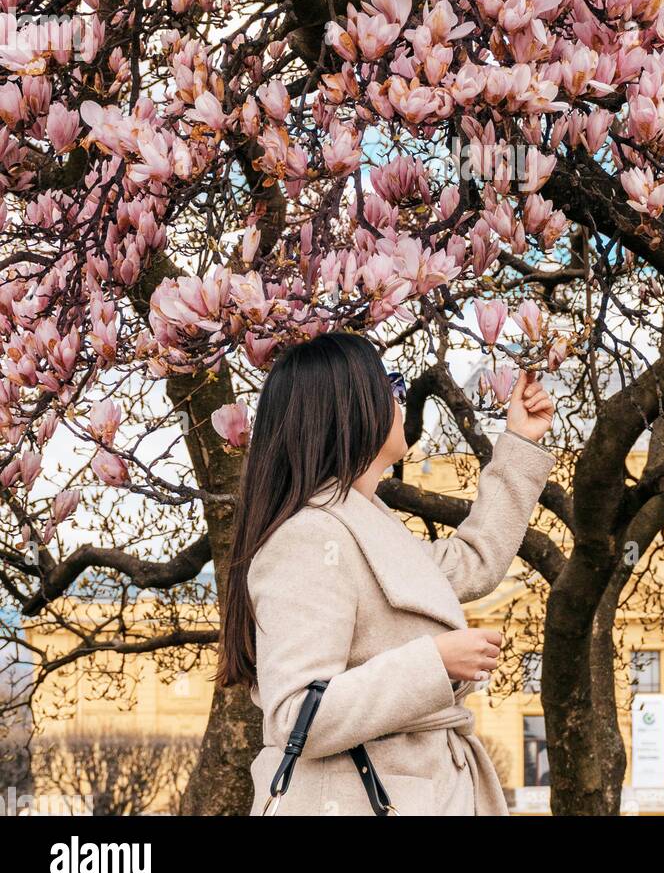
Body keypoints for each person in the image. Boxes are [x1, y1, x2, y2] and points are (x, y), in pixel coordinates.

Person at [216, 331, 556, 816]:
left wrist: (519, 442)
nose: (401, 399)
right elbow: (296, 717)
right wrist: (433, 663)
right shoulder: (311, 538)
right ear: (352, 407)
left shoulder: (366, 526)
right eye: (390, 385)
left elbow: (474, 559)